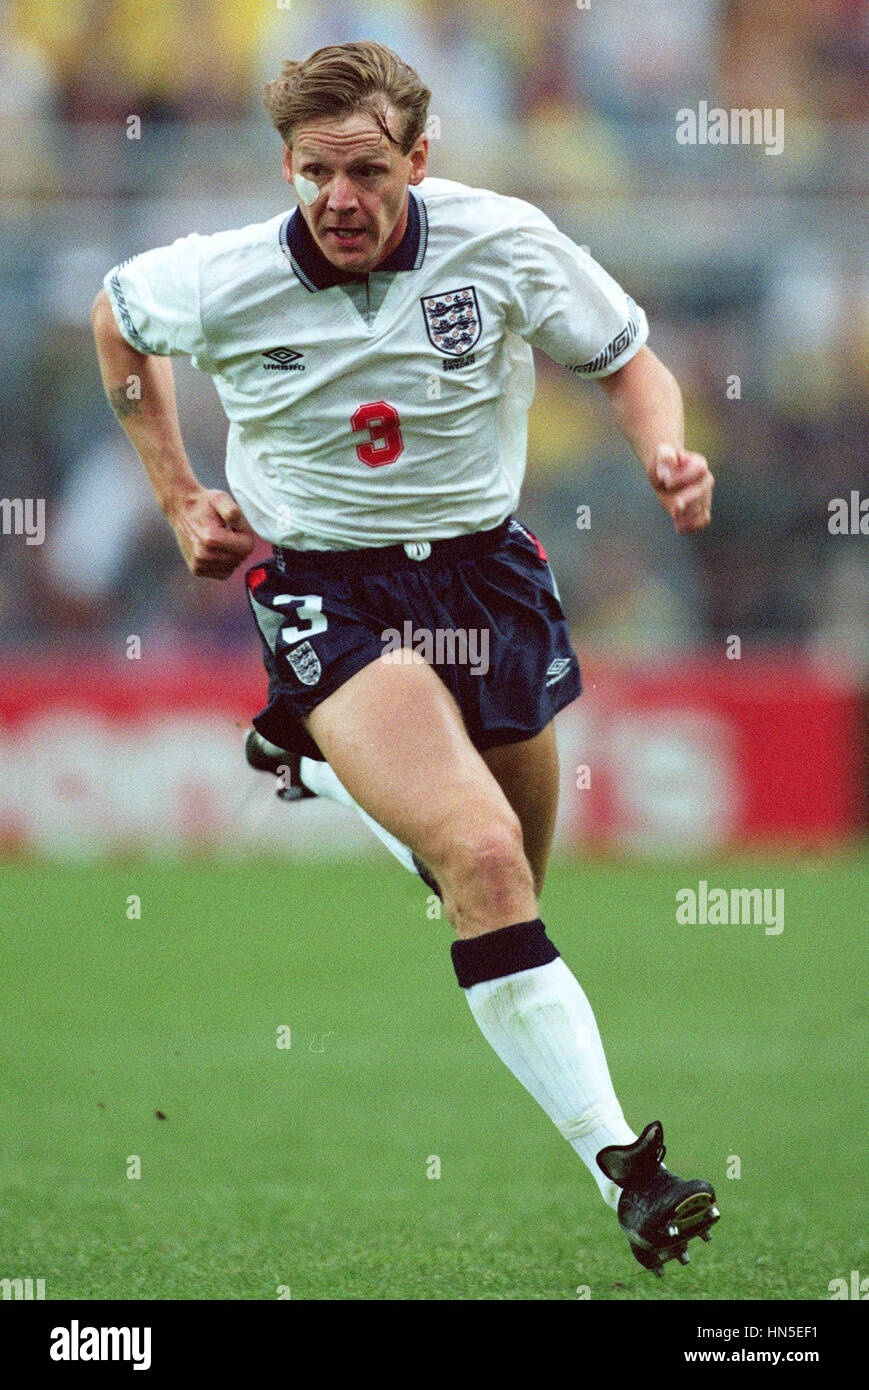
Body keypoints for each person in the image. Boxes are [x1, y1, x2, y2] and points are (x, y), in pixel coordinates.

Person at [92, 40, 718, 1276]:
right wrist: (176, 495)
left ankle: (306, 759)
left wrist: (666, 452)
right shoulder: (218, 278)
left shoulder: (501, 241)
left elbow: (627, 361)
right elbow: (117, 316)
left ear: (417, 162)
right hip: (329, 587)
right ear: (286, 167)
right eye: (315, 171)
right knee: (479, 859)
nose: (339, 197)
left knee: (505, 887)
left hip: (485, 576)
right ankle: (625, 1172)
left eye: (366, 170)